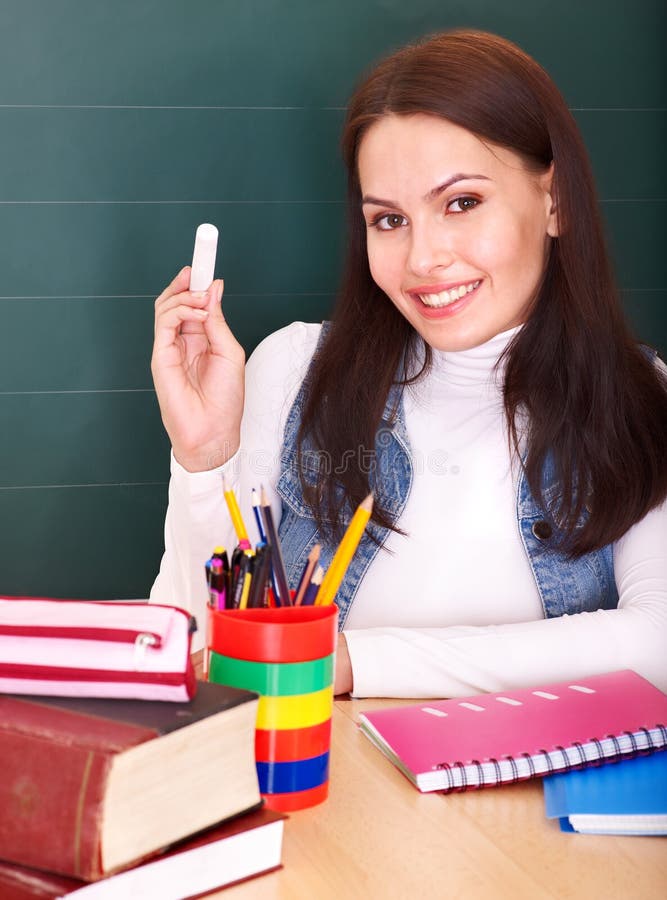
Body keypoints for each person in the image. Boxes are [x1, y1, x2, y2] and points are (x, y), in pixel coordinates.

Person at [150, 30, 667, 698]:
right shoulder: (292, 370)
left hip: (523, 802)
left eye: (460, 203)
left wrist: (351, 663)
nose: (423, 260)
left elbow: (656, 644)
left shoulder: (638, 396)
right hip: (326, 794)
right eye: (388, 220)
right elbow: (197, 642)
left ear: (554, 200)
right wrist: (205, 458)